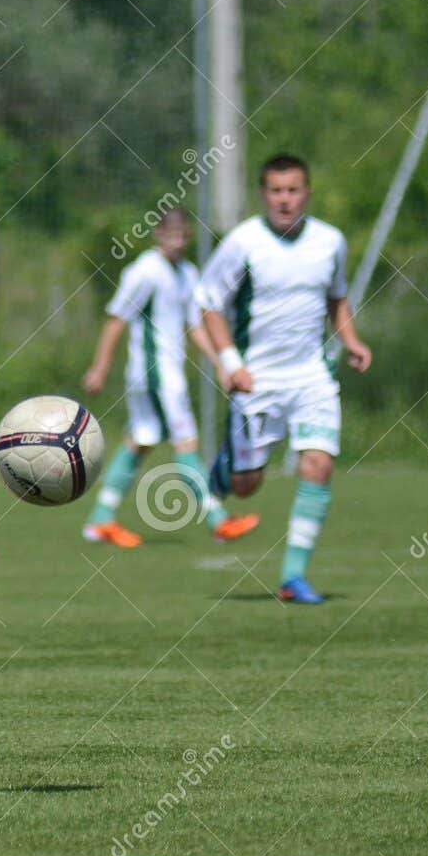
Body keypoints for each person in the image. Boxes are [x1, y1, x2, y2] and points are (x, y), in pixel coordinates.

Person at [195, 154, 372, 604]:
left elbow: (337, 297)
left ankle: (293, 577)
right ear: (263, 194)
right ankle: (224, 471)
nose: (285, 199)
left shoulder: (330, 241)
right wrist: (232, 362)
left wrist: (350, 340)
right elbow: (209, 303)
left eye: (293, 190)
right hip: (258, 378)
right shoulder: (243, 242)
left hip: (312, 376)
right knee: (246, 484)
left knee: (318, 464)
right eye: (276, 190)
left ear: (307, 192)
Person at [80, 206, 258, 547]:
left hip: (168, 374)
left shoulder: (188, 273)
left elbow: (195, 326)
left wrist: (221, 363)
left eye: (182, 236)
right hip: (155, 374)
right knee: (186, 440)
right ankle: (218, 520)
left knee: (140, 441)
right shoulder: (145, 271)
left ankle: (100, 520)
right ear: (158, 235)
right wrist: (100, 367)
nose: (177, 242)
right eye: (170, 235)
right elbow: (116, 319)